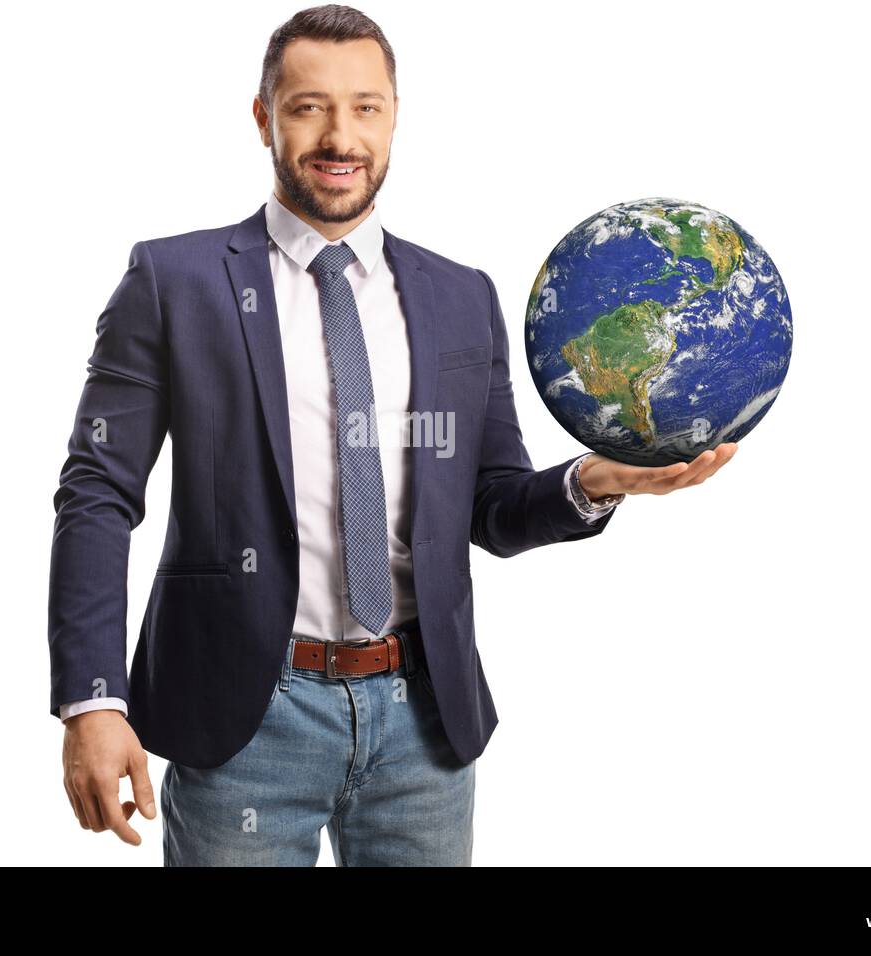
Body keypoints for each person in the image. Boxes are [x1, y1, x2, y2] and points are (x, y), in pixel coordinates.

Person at [49, 4, 737, 866]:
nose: (341, 135)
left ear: (394, 116)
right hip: (243, 721)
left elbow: (489, 506)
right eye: (308, 106)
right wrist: (92, 699)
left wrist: (594, 481)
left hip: (424, 726)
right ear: (264, 117)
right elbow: (97, 493)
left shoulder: (460, 296)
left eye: (365, 106)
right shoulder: (173, 280)